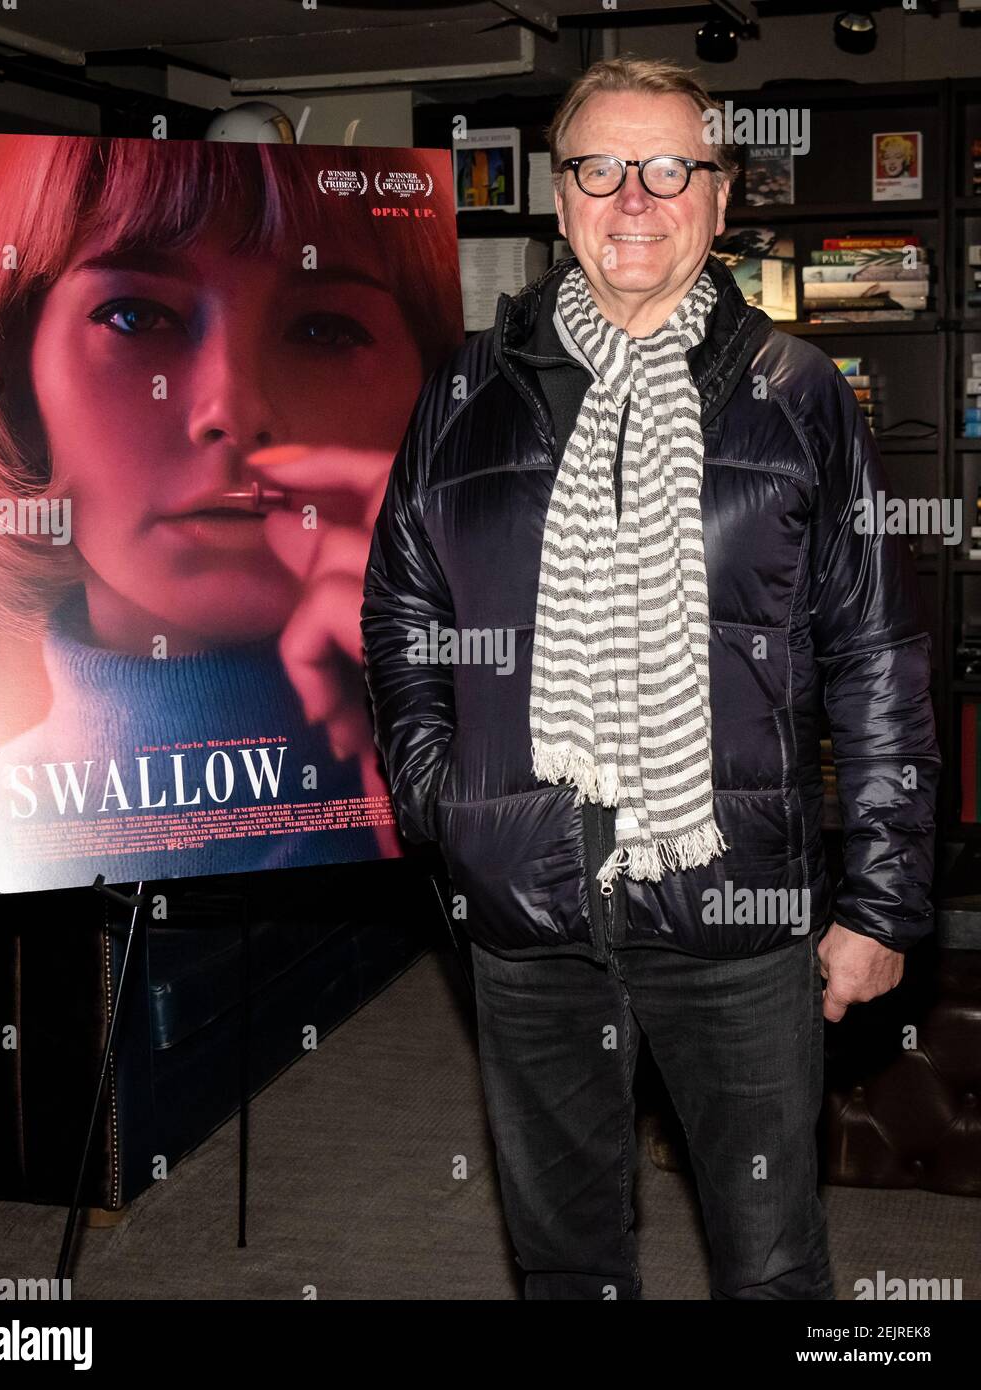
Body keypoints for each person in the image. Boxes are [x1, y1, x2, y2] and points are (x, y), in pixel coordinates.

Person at [361, 57, 940, 1300]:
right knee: (564, 1259)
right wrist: (441, 803)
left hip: (735, 911)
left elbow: (874, 655)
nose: (635, 197)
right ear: (559, 201)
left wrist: (883, 902)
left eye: (669, 166)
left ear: (718, 199)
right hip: (522, 915)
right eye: (600, 169)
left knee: (770, 1262)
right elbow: (400, 609)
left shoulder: (795, 399)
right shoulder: (463, 396)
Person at [0, 134, 461, 892]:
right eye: (135, 316)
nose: (233, 410)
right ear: (17, 373)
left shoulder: (512, 764)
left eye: (322, 328)